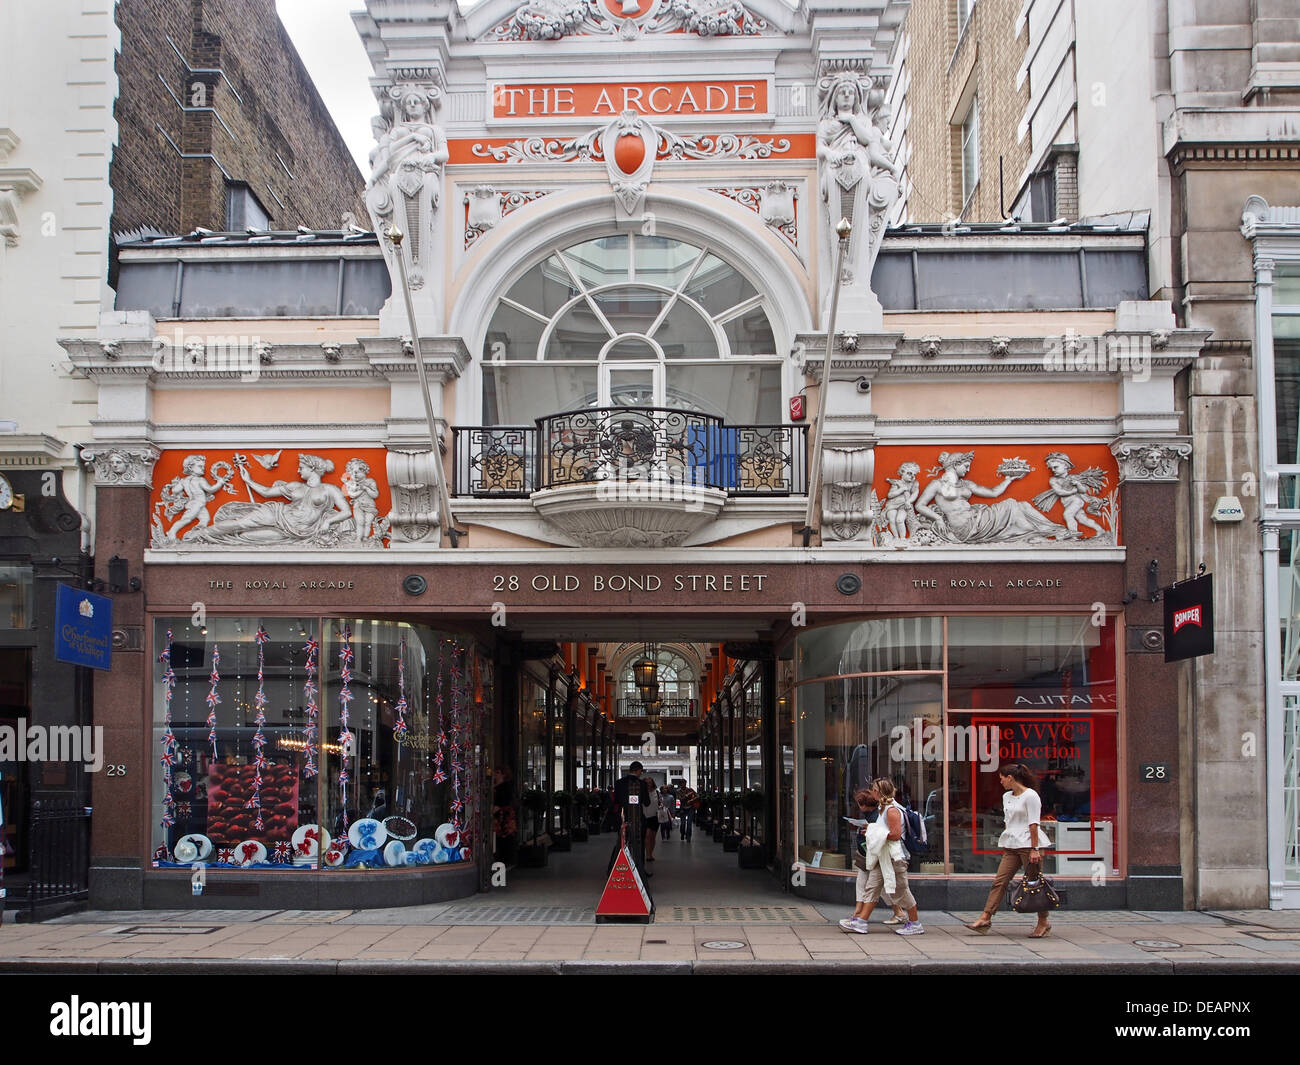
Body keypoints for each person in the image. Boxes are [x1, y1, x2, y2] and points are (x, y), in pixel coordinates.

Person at [965, 763, 1054, 938]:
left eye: (1002, 778)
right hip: (1012, 845)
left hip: (1028, 846)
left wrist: (1035, 849)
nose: (1000, 782)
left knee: (1034, 883)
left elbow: (1034, 824)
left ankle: (1043, 922)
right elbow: (1008, 820)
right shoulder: (1007, 796)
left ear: (1010, 778)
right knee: (1000, 881)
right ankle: (985, 917)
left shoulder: (1031, 796)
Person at [914, 451, 1070, 544]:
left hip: (977, 518)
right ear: (955, 464)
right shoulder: (937, 484)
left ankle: (1050, 530)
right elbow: (920, 505)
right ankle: (1045, 532)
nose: (968, 469)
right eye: (965, 466)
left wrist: (1008, 479)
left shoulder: (967, 484)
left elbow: (993, 493)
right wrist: (938, 518)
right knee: (1011, 504)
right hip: (964, 527)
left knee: (1022, 505)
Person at [841, 778, 924, 936]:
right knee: (872, 887)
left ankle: (915, 923)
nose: (871, 792)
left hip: (894, 858)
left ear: (878, 792)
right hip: (883, 856)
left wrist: (873, 832)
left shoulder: (892, 810)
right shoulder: (882, 808)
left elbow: (895, 835)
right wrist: (871, 830)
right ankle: (861, 921)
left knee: (901, 891)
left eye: (872, 789)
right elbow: (883, 830)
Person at [608, 760, 652, 879]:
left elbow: (616, 800)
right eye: (640, 771)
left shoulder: (619, 783)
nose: (640, 774)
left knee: (622, 843)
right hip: (638, 819)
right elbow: (647, 803)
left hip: (623, 817)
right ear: (638, 770)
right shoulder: (642, 784)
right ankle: (640, 870)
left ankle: (617, 868)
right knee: (639, 844)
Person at [643, 775, 661, 861]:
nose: (648, 784)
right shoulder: (642, 792)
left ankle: (650, 853)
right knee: (647, 836)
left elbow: (660, 803)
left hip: (655, 817)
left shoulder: (656, 792)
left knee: (653, 837)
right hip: (645, 817)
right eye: (646, 783)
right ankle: (648, 855)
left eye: (650, 782)